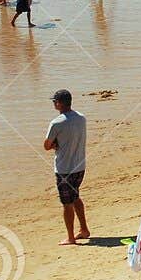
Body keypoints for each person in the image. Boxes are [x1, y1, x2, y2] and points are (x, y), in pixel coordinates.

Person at [44, 89, 89, 246]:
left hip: (64, 169)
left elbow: (46, 145)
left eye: (54, 101)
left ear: (59, 103)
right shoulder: (81, 118)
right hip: (80, 166)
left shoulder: (56, 123)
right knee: (75, 197)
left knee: (67, 203)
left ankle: (70, 237)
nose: (54, 104)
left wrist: (57, 144)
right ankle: (84, 230)